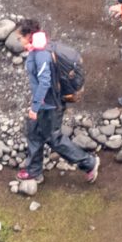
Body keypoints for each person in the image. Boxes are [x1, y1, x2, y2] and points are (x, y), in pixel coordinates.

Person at [17, 19, 99, 187]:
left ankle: (89, 163)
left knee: (53, 138)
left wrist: (35, 107)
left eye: (20, 38)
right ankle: (34, 171)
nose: (18, 41)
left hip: (50, 105)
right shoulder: (39, 48)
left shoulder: (41, 55)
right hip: (44, 102)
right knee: (33, 131)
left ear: (28, 36)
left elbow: (45, 83)